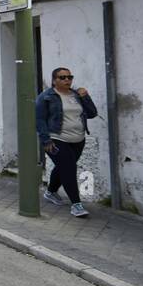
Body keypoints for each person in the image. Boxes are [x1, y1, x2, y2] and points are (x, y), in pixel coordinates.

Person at [36, 67, 99, 219]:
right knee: (69, 168)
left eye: (69, 77)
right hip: (56, 138)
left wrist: (86, 97)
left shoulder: (76, 95)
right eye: (62, 77)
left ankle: (50, 192)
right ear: (54, 80)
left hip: (78, 139)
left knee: (63, 167)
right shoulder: (46, 97)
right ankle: (76, 205)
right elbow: (39, 119)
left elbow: (92, 113)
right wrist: (45, 140)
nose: (67, 80)